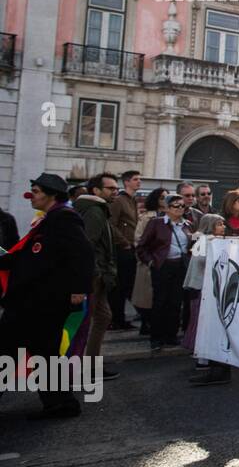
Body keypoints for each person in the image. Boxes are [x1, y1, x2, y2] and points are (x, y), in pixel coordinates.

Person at [0, 174, 95, 419]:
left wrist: (78, 289)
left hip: (42, 300)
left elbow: (82, 253)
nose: (33, 195)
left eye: (37, 191)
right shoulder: (49, 220)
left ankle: (61, 402)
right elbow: (29, 255)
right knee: (44, 352)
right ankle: (60, 402)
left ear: (51, 194)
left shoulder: (64, 218)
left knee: (8, 348)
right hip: (35, 300)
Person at [75, 173, 120, 381]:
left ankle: (91, 363)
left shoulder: (97, 209)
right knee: (87, 321)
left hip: (97, 273)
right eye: (110, 188)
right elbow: (87, 245)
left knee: (102, 317)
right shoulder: (94, 211)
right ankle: (84, 366)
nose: (115, 191)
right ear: (96, 191)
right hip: (94, 275)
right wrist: (95, 273)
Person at [136, 194, 193, 352]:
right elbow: (142, 246)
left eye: (183, 206)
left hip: (180, 266)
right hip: (162, 265)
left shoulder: (187, 224)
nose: (180, 208)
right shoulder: (156, 223)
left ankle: (171, 335)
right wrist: (151, 261)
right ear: (167, 208)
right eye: (176, 206)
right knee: (160, 301)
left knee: (175, 302)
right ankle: (156, 337)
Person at [182, 213, 225, 355]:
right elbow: (201, 260)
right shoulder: (204, 241)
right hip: (199, 286)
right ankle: (198, 352)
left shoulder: (207, 240)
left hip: (201, 286)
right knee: (199, 320)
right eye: (219, 224)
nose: (223, 227)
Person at [108, 170, 141, 331]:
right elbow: (111, 224)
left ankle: (120, 318)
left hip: (131, 247)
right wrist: (124, 242)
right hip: (122, 249)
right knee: (120, 286)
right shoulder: (119, 201)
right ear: (127, 182)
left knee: (126, 285)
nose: (138, 182)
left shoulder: (132, 200)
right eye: (135, 179)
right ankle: (116, 319)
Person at [132, 188, 167, 339]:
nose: (165, 201)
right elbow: (138, 238)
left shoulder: (169, 216)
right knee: (146, 296)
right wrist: (148, 258)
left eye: (167, 198)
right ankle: (146, 323)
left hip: (164, 262)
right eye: (162, 198)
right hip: (149, 261)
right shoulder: (147, 217)